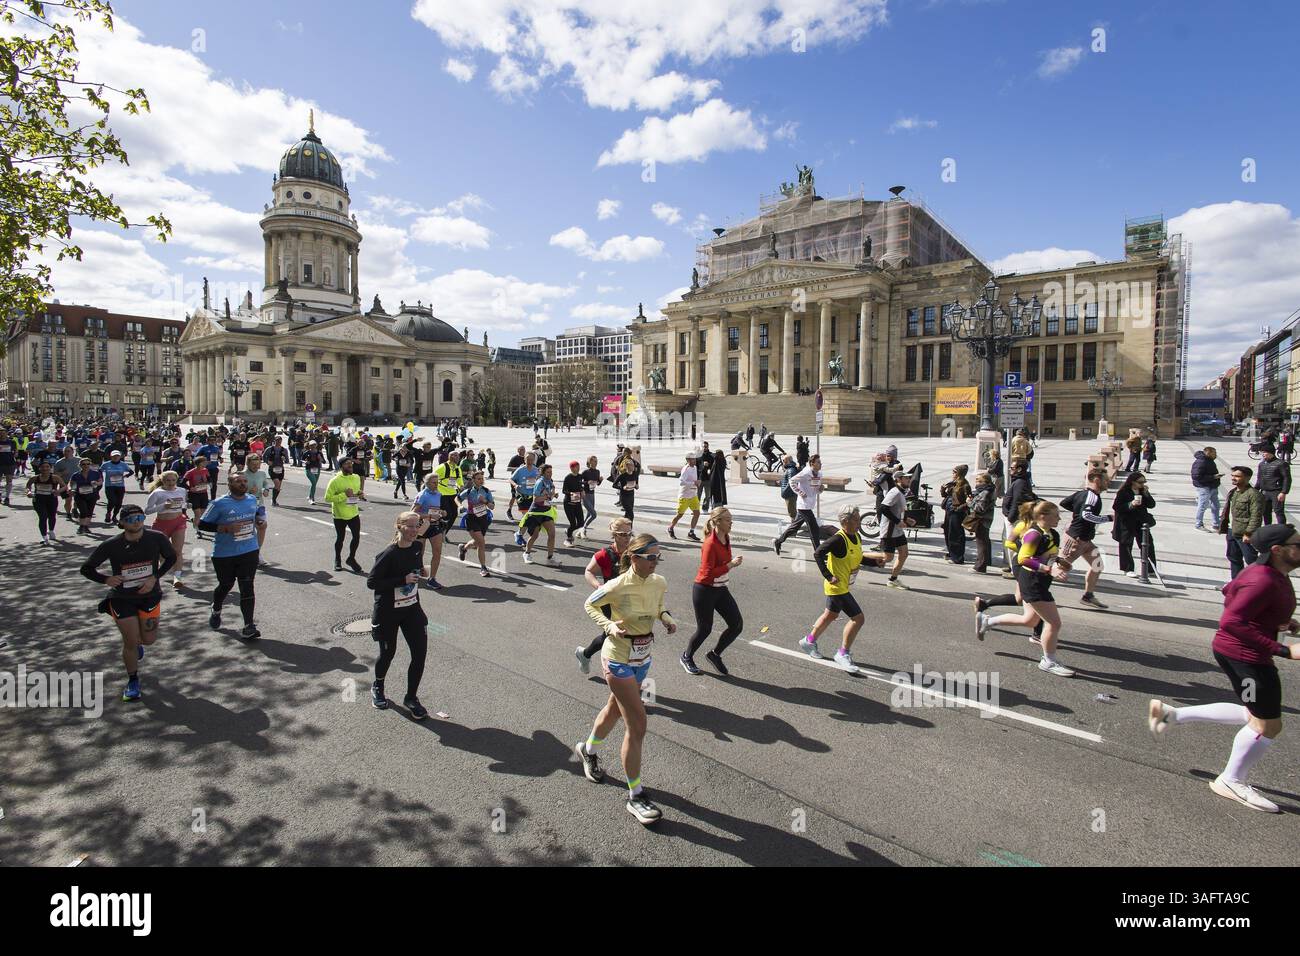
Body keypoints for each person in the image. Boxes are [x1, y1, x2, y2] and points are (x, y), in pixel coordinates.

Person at [1148, 523, 1300, 813]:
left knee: (1254, 712)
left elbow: (1230, 590)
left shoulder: (1271, 572)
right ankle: (1231, 780)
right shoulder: (1263, 579)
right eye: (1298, 544)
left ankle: (1171, 715)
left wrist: (1279, 621)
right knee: (1267, 725)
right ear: (1279, 550)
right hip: (1245, 657)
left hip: (1246, 653)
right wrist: (1283, 649)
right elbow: (1231, 621)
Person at [575, 533, 676, 825]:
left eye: (658, 556)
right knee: (638, 723)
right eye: (651, 557)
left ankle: (587, 749)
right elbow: (590, 604)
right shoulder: (617, 585)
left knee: (613, 710)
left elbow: (658, 606)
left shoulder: (659, 582)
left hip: (642, 658)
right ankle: (636, 796)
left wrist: (666, 619)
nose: (656, 562)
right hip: (617, 659)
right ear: (634, 559)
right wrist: (608, 626)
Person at [79, 504, 177, 702]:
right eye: (131, 519)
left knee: (148, 640)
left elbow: (171, 557)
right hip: (122, 598)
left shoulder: (156, 538)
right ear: (122, 522)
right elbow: (87, 568)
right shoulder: (111, 544)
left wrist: (154, 578)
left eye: (140, 517)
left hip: (149, 596)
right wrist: (105, 579)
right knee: (130, 642)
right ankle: (133, 680)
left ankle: (138, 642)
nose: (137, 522)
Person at [976, 501, 1076, 676]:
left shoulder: (1051, 534)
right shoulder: (1033, 534)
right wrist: (1048, 569)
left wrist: (1060, 563)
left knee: (1030, 620)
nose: (1059, 518)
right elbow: (1023, 558)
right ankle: (1048, 661)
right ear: (1043, 516)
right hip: (1033, 582)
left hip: (1039, 581)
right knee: (1054, 623)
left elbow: (1049, 555)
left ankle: (987, 621)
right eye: (1056, 514)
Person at [798, 505, 887, 673]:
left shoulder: (856, 536)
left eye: (859, 518)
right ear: (845, 521)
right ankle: (842, 653)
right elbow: (818, 553)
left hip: (845, 585)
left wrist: (875, 562)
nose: (859, 522)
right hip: (837, 587)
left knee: (830, 615)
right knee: (858, 618)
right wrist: (828, 575)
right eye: (856, 519)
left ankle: (809, 641)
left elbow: (858, 558)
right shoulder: (838, 539)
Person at [367, 511, 435, 719]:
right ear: (399, 526)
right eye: (410, 526)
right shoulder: (388, 553)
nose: (415, 531)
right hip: (388, 612)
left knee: (420, 653)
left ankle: (411, 698)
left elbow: (415, 567)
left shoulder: (417, 547)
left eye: (418, 526)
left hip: (412, 609)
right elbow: (372, 583)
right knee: (388, 653)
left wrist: (422, 571)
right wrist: (402, 580)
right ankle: (378, 686)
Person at [198, 471, 265, 639]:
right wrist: (224, 528)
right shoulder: (219, 503)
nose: (242, 484)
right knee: (225, 585)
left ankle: (249, 625)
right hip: (224, 554)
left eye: (244, 481)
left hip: (249, 550)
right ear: (229, 485)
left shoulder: (251, 499)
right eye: (238, 481)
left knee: (247, 586)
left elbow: (255, 514)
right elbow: (202, 525)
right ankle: (216, 608)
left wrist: (258, 521)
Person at [681, 507, 746, 675]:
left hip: (720, 588)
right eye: (727, 520)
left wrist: (729, 564)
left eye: (731, 519)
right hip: (705, 589)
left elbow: (721, 565)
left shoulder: (726, 537)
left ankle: (714, 654)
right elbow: (709, 573)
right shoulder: (710, 544)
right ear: (717, 522)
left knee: (736, 625)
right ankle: (687, 656)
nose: (731, 522)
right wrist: (731, 564)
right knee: (705, 629)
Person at [1057, 469, 1113, 608]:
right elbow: (1086, 515)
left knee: (1097, 565)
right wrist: (1108, 518)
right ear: (1097, 480)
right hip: (1075, 539)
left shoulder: (1081, 494)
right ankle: (1030, 586)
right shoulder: (1091, 496)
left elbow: (1064, 503)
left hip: (1086, 540)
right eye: (1106, 480)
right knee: (1059, 568)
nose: (1108, 482)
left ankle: (1088, 596)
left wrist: (1076, 511)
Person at [144, 470, 189, 589]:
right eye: (168, 480)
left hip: (178, 522)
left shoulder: (181, 490)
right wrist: (163, 506)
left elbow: (183, 504)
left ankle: (177, 577)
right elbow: (147, 511)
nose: (171, 483)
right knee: (162, 554)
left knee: (177, 551)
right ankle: (163, 563)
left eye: (173, 480)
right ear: (162, 481)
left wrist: (186, 506)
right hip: (161, 524)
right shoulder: (157, 493)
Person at [1219, 465, 1265, 579]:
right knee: (1234, 558)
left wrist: (1249, 533)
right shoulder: (1233, 492)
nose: (1233, 478)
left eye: (1237, 476)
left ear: (1247, 478)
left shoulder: (1254, 494)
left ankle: (1259, 583)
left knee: (1252, 561)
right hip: (1231, 531)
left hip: (1244, 534)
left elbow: (1256, 516)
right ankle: (1235, 583)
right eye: (1233, 476)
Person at [773, 453, 824, 555]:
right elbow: (792, 481)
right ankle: (819, 553)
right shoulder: (805, 473)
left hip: (810, 504)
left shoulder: (819, 474)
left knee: (793, 528)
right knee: (814, 530)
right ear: (812, 463)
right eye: (818, 462)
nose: (820, 464)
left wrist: (820, 489)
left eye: (820, 462)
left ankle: (777, 542)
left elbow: (815, 490)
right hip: (803, 506)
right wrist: (800, 492)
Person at [325, 458, 367, 573]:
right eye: (347, 464)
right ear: (341, 466)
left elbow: (356, 492)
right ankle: (337, 559)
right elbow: (327, 498)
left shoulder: (356, 477)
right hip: (340, 514)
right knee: (340, 538)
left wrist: (360, 494)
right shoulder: (335, 481)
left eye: (351, 463)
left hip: (353, 512)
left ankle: (351, 558)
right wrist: (344, 495)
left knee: (356, 537)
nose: (350, 465)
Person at [1112, 471, 1157, 577]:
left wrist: (1146, 493)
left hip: (1141, 522)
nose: (1142, 484)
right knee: (1126, 544)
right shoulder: (1123, 492)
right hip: (1127, 522)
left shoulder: (1142, 491)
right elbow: (1116, 507)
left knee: (1148, 544)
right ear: (1132, 482)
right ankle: (1128, 569)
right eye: (1140, 482)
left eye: (1144, 482)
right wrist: (1130, 504)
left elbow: (1152, 505)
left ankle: (1150, 569)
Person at [412, 473, 449, 589]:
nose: (436, 484)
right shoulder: (422, 495)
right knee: (419, 553)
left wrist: (442, 513)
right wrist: (428, 516)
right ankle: (418, 570)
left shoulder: (438, 494)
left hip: (434, 526)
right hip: (422, 526)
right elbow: (413, 512)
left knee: (437, 552)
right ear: (427, 483)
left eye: (437, 482)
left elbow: (438, 510)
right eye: (434, 482)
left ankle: (432, 578)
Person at [455, 470, 494, 577]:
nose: (481, 481)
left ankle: (463, 548)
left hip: (483, 518)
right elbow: (457, 498)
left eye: (482, 478)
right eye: (478, 479)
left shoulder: (486, 491)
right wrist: (460, 505)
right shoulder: (468, 492)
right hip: (471, 518)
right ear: (473, 480)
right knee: (481, 542)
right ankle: (483, 567)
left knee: (477, 542)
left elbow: (492, 506)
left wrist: (485, 501)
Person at [879, 470, 914, 588]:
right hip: (889, 530)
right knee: (887, 558)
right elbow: (883, 508)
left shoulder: (902, 492)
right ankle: (860, 557)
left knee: (904, 553)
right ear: (898, 479)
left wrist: (907, 520)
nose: (909, 480)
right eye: (906, 478)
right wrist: (897, 521)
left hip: (897, 530)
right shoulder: (894, 492)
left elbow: (899, 510)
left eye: (909, 478)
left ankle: (893, 579)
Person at [522, 464, 560, 565]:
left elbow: (550, 495)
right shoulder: (540, 482)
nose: (550, 474)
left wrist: (553, 495)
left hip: (546, 511)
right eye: (548, 472)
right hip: (536, 512)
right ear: (543, 473)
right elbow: (536, 499)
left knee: (552, 534)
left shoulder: (550, 482)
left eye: (551, 472)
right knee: (535, 535)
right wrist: (547, 496)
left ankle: (550, 558)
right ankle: (527, 553)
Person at [25, 459, 66, 543]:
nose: (45, 469)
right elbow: (28, 485)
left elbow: (64, 486)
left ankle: (51, 531)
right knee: (43, 517)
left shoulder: (55, 477)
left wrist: (58, 491)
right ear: (39, 468)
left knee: (52, 516)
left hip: (51, 499)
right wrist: (28, 492)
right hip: (38, 499)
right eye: (43, 467)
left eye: (47, 467)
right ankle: (44, 536)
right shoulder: (35, 478)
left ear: (50, 468)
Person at [667, 452, 702, 541]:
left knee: (697, 513)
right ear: (688, 460)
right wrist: (694, 483)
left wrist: (697, 482)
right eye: (692, 459)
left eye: (695, 459)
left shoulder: (695, 467)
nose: (694, 461)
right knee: (680, 515)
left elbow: (693, 480)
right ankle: (670, 528)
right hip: (684, 496)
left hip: (693, 495)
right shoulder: (685, 469)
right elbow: (682, 482)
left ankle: (691, 532)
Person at [940, 464, 971, 564]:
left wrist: (958, 508)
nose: (952, 474)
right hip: (949, 510)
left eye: (954, 472)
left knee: (956, 534)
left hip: (957, 512)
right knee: (947, 532)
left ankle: (957, 557)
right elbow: (945, 495)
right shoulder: (953, 483)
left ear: (959, 474)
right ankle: (951, 552)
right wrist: (942, 489)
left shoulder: (965, 485)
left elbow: (969, 501)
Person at [966, 471, 996, 573]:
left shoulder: (985, 492)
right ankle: (986, 561)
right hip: (985, 519)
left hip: (982, 520)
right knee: (985, 541)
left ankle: (980, 566)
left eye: (979, 481)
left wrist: (970, 503)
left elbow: (980, 508)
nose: (976, 482)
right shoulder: (985, 491)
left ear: (985, 482)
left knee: (981, 542)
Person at [1254, 443, 1290, 525]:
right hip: (1264, 491)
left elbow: (1287, 478)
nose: (1263, 454)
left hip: (1276, 491)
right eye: (1262, 452)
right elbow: (1259, 478)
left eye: (1264, 452)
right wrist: (1255, 489)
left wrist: (1283, 492)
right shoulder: (1262, 464)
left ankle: (1282, 529)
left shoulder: (1281, 463)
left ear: (1271, 453)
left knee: (1278, 511)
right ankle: (1268, 528)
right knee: (1265, 512)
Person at [68, 458, 103, 535]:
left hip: (92, 495)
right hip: (80, 495)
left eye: (88, 464)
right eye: (84, 464)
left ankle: (86, 526)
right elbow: (72, 485)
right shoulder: (76, 475)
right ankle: (81, 527)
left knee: (90, 511)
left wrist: (97, 483)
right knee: (83, 511)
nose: (86, 466)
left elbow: (100, 482)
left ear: (90, 465)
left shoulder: (95, 473)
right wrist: (72, 490)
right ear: (80, 465)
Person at [1191, 446, 1222, 532]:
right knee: (1202, 506)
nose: (1216, 455)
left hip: (1213, 486)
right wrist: (1213, 477)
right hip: (1204, 487)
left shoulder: (1210, 461)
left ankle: (1216, 524)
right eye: (1214, 453)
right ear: (1208, 453)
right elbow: (1196, 477)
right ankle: (1198, 524)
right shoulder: (1201, 462)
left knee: (1216, 506)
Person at [561, 460, 586, 545]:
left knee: (581, 523)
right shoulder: (568, 477)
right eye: (576, 467)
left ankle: (568, 530)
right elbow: (564, 490)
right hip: (568, 503)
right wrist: (572, 494)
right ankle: (568, 540)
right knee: (573, 523)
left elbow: (581, 486)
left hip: (577, 503)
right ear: (571, 468)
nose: (578, 468)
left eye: (578, 466)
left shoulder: (580, 476)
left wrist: (582, 491)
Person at [612, 452, 640, 524]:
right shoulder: (622, 475)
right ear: (627, 466)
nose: (633, 467)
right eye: (631, 465)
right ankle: (629, 531)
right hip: (624, 497)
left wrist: (636, 486)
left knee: (627, 515)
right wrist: (622, 487)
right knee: (631, 515)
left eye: (633, 465)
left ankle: (618, 524)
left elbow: (636, 484)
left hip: (631, 496)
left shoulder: (635, 474)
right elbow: (614, 485)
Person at [579, 456, 602, 538]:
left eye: (596, 461)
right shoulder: (585, 472)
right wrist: (586, 482)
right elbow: (579, 482)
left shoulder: (597, 471)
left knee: (589, 514)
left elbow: (597, 484)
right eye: (594, 461)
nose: (596, 462)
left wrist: (600, 480)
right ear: (590, 462)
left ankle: (578, 532)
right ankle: (584, 529)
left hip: (592, 494)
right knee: (594, 514)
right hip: (585, 495)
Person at [302, 440, 325, 504]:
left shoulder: (319, 453)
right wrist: (305, 462)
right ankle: (312, 499)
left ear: (316, 445)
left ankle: (310, 496)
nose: (313, 446)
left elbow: (324, 461)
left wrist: (320, 459)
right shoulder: (306, 453)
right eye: (311, 445)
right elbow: (302, 460)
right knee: (314, 483)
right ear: (309, 446)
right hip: (309, 469)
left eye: (314, 445)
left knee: (314, 484)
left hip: (317, 469)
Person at [778, 454, 799, 521]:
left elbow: (791, 483)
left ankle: (794, 526)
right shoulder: (789, 469)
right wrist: (781, 482)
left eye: (783, 460)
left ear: (788, 461)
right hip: (789, 493)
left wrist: (785, 491)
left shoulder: (791, 470)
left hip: (790, 494)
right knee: (791, 511)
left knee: (792, 512)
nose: (783, 462)